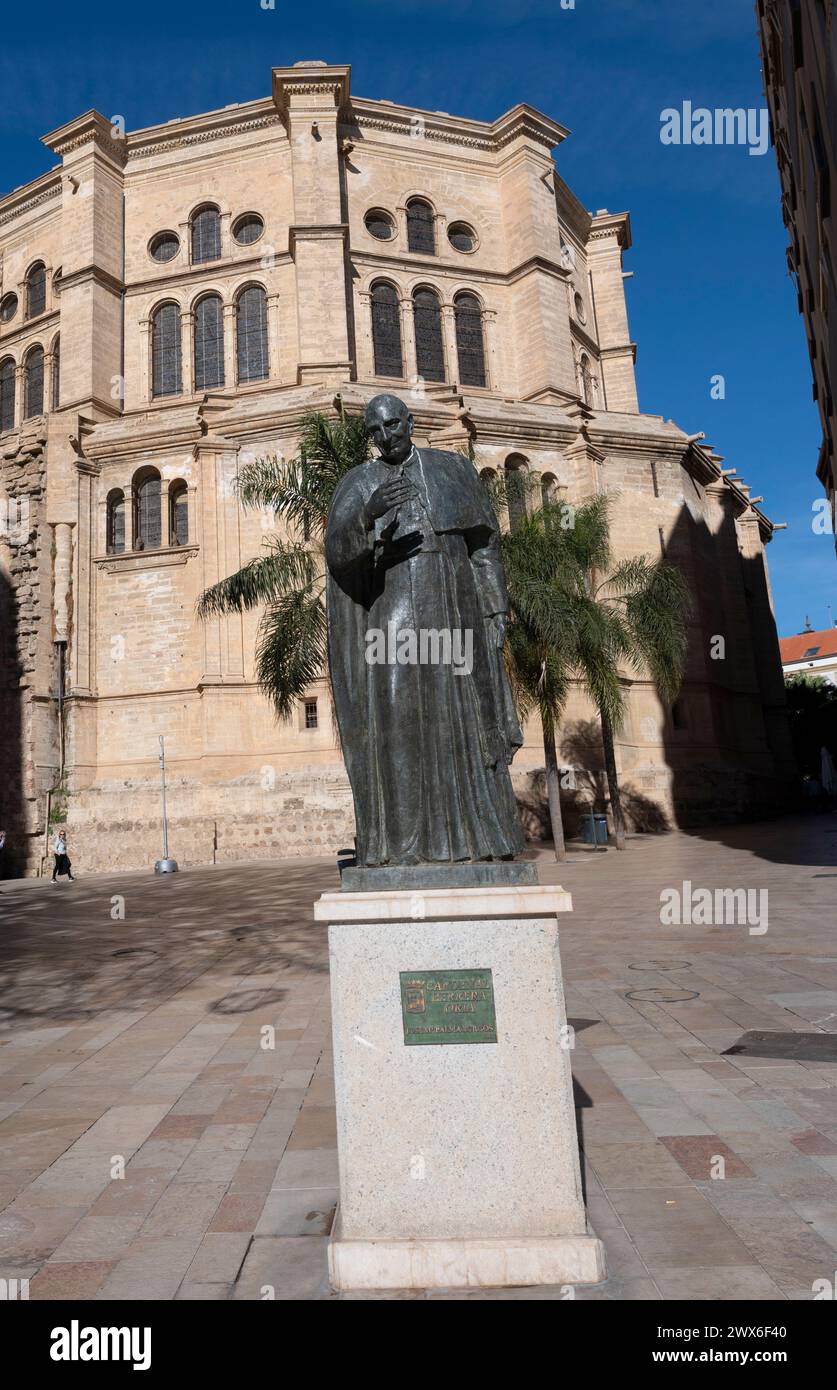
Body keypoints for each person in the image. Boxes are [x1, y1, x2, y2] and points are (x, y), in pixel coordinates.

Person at [326, 393, 524, 870]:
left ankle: (478, 838)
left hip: (455, 606)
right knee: (395, 718)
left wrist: (496, 611)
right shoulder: (360, 481)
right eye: (374, 432)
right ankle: (402, 843)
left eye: (392, 425)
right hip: (392, 610)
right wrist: (367, 514)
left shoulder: (452, 469)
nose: (385, 437)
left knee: (466, 717)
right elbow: (337, 551)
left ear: (410, 422)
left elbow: (484, 545)